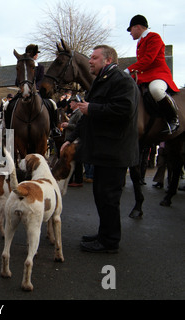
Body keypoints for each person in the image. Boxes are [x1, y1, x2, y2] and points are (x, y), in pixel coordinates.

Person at [61, 45, 139, 253]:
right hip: (104, 152)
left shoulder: (122, 80)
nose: (90, 61)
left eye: (94, 58)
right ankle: (104, 234)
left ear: (108, 59)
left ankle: (110, 242)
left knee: (109, 198)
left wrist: (92, 108)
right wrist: (72, 139)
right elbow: (88, 118)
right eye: (90, 59)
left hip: (115, 151)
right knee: (101, 195)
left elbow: (125, 110)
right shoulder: (102, 81)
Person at [126, 14, 180, 134]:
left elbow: (148, 59)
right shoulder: (141, 41)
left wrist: (129, 70)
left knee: (156, 90)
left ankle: (173, 119)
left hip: (158, 74)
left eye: (131, 29)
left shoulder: (154, 37)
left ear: (138, 27)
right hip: (145, 76)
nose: (130, 33)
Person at [60, 95, 83, 187]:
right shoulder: (75, 112)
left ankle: (78, 180)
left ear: (76, 103)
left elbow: (79, 127)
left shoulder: (79, 113)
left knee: (76, 161)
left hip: (75, 141)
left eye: (72, 102)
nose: (70, 103)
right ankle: (74, 179)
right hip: (71, 139)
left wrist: (68, 125)